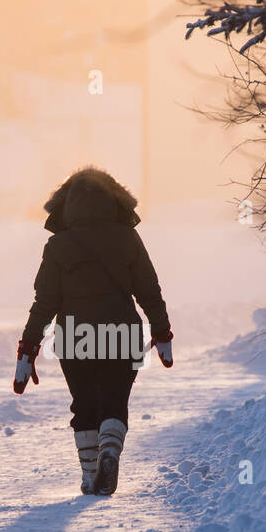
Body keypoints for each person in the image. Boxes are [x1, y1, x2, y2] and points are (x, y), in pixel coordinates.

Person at [13, 167, 173, 495]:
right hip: (122, 332)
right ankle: (110, 450)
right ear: (114, 202)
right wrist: (162, 331)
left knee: (84, 405)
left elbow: (44, 303)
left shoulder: (58, 246)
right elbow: (149, 290)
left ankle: (89, 475)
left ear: (67, 206)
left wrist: (28, 349)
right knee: (114, 400)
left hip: (75, 335)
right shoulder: (128, 238)